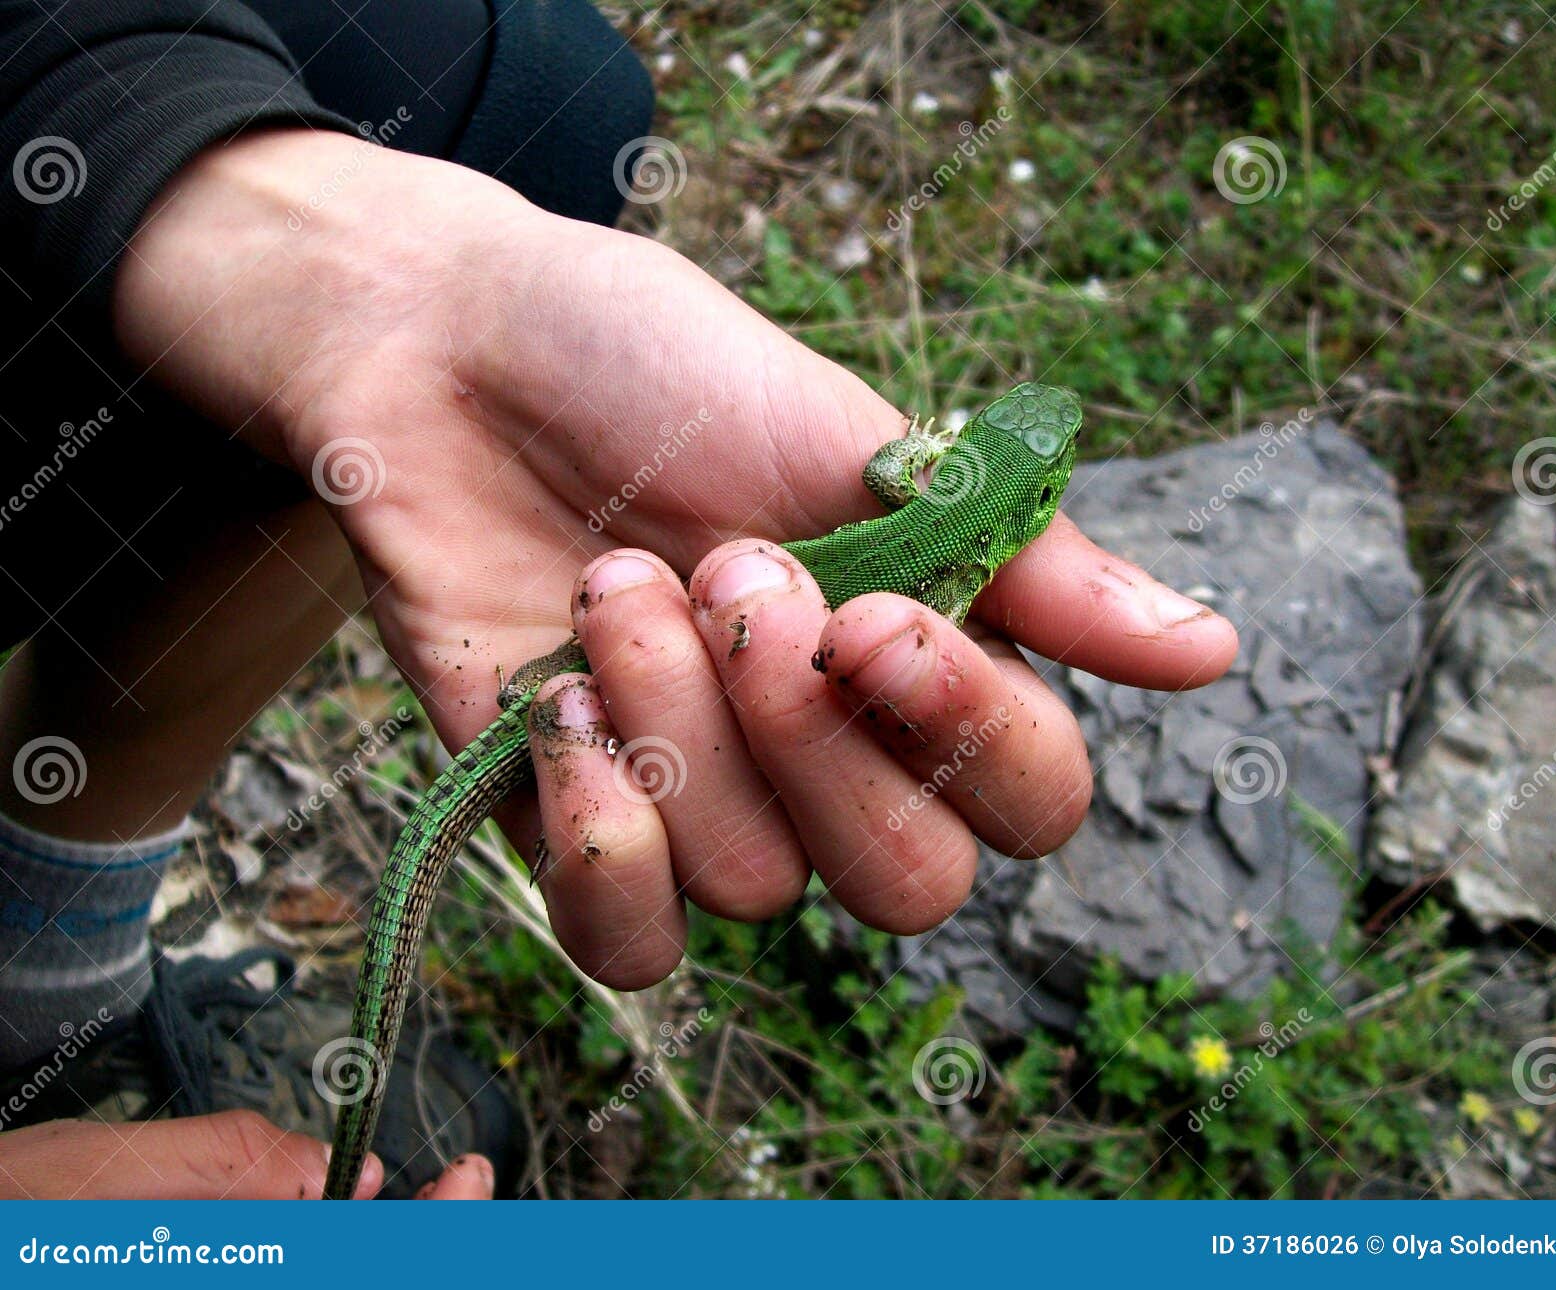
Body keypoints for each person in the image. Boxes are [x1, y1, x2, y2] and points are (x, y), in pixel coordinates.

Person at [0, 0, 1237, 1199]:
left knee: (552, 97)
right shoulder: (958, 577)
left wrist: (402, 299)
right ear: (1022, 512)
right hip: (618, 648)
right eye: (1045, 470)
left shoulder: (940, 521)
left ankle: (45, 952)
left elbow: (884, 470)